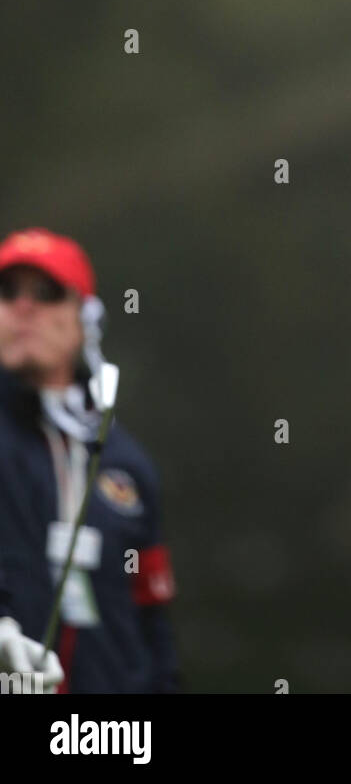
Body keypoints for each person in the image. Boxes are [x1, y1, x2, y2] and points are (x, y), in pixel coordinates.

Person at [0, 227, 180, 693]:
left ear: (86, 319)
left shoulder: (126, 464)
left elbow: (151, 612)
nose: (23, 307)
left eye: (46, 292)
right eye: (7, 291)